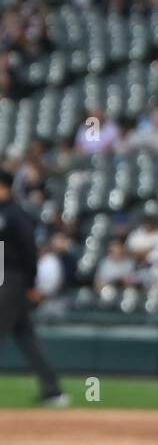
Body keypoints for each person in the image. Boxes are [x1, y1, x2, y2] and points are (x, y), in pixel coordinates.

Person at [0, 169, 69, 405]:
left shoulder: (15, 214)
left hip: (12, 279)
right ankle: (53, 391)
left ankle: (54, 391)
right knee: (26, 336)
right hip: (5, 278)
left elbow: (29, 252)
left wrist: (30, 283)